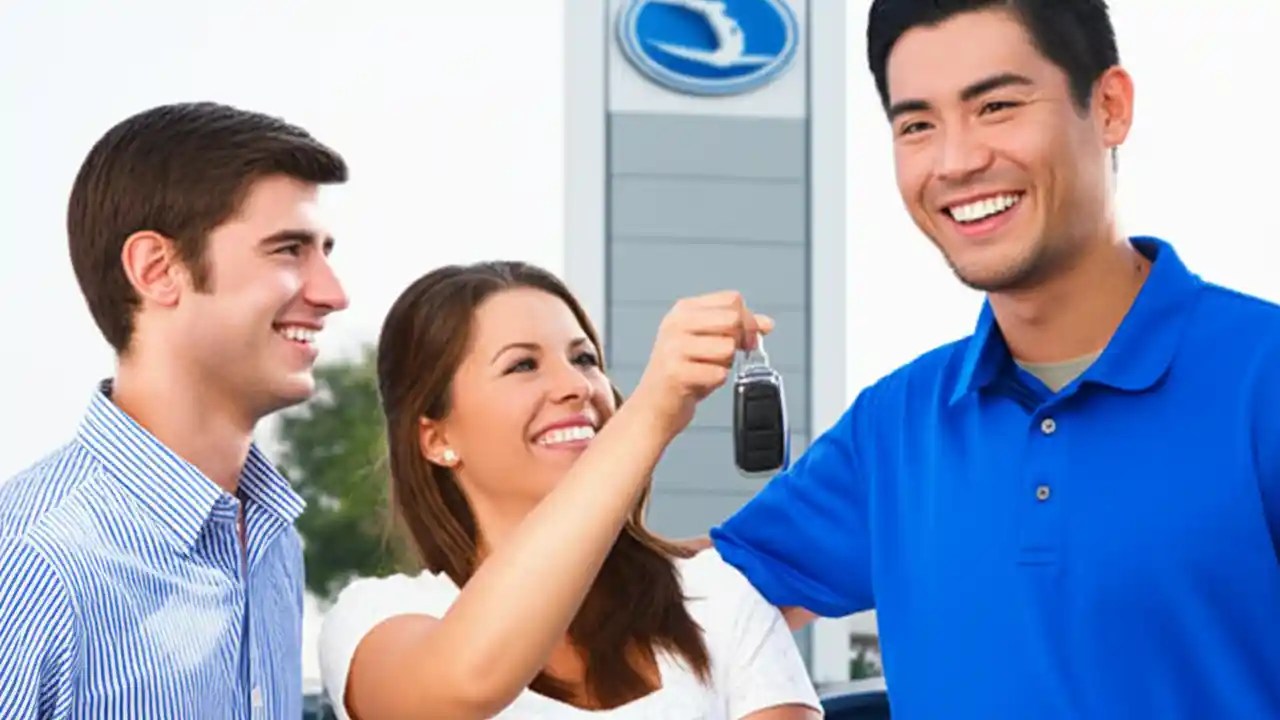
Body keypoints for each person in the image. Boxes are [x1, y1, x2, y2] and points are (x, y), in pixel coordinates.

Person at [707, 1, 1280, 718]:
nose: (957, 161)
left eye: (998, 106)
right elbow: (668, 613)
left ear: (1108, 107)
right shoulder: (895, 425)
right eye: (918, 125)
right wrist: (640, 423)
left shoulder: (1264, 379)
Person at [316, 261, 822, 720]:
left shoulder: (715, 593)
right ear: (438, 438)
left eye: (583, 359)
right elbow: (464, 685)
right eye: (522, 365)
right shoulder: (375, 619)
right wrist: (651, 414)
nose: (577, 386)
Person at [0, 102, 350, 718]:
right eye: (289, 249)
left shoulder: (273, 548)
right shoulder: (33, 563)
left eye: (324, 250)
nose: (332, 294)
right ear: (157, 270)